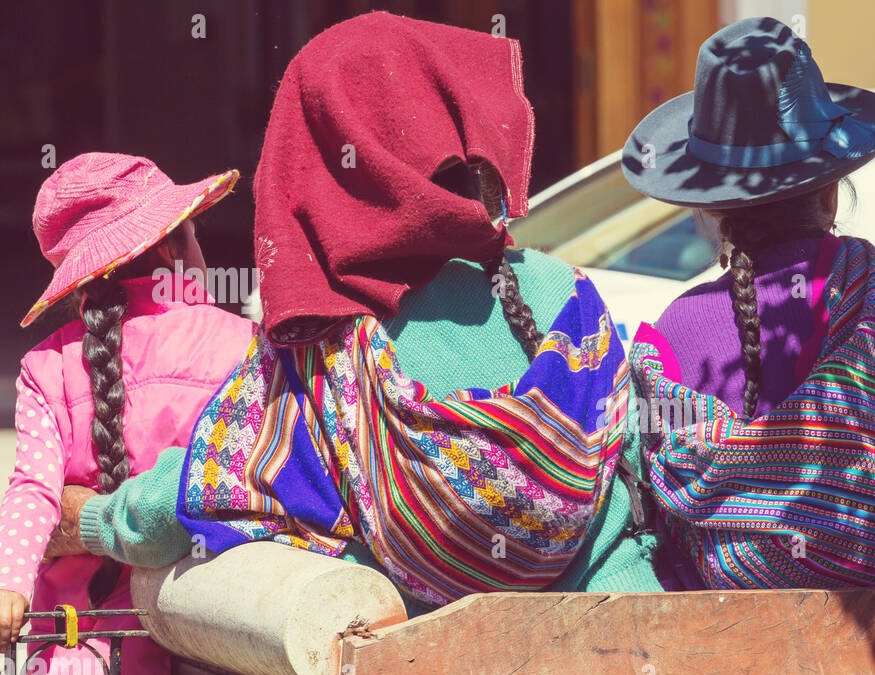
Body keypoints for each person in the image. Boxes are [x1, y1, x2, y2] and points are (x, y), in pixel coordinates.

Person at [61, 12, 660, 608]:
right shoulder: (567, 297)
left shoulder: (323, 354)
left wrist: (88, 521)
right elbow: (642, 462)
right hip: (632, 639)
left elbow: (188, 495)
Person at [621, 17, 875, 591]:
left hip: (719, 665)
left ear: (713, 208)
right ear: (833, 190)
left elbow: (659, 538)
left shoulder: (673, 336)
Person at [0, 152, 256, 675]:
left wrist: (11, 587)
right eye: (193, 232)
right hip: (191, 652)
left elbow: (31, 489)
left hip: (79, 658)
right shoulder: (238, 346)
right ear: (172, 246)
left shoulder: (46, 363)